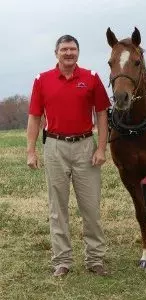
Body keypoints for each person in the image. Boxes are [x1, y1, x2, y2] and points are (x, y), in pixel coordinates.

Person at [26, 35, 111, 277]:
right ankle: (62, 261)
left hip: (85, 146)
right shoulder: (42, 80)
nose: (69, 53)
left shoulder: (91, 78)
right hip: (54, 146)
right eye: (64, 49)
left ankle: (95, 259)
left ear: (78, 53)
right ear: (56, 53)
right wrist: (31, 151)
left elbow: (102, 114)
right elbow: (34, 116)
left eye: (73, 49)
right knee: (57, 208)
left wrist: (101, 148)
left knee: (91, 207)